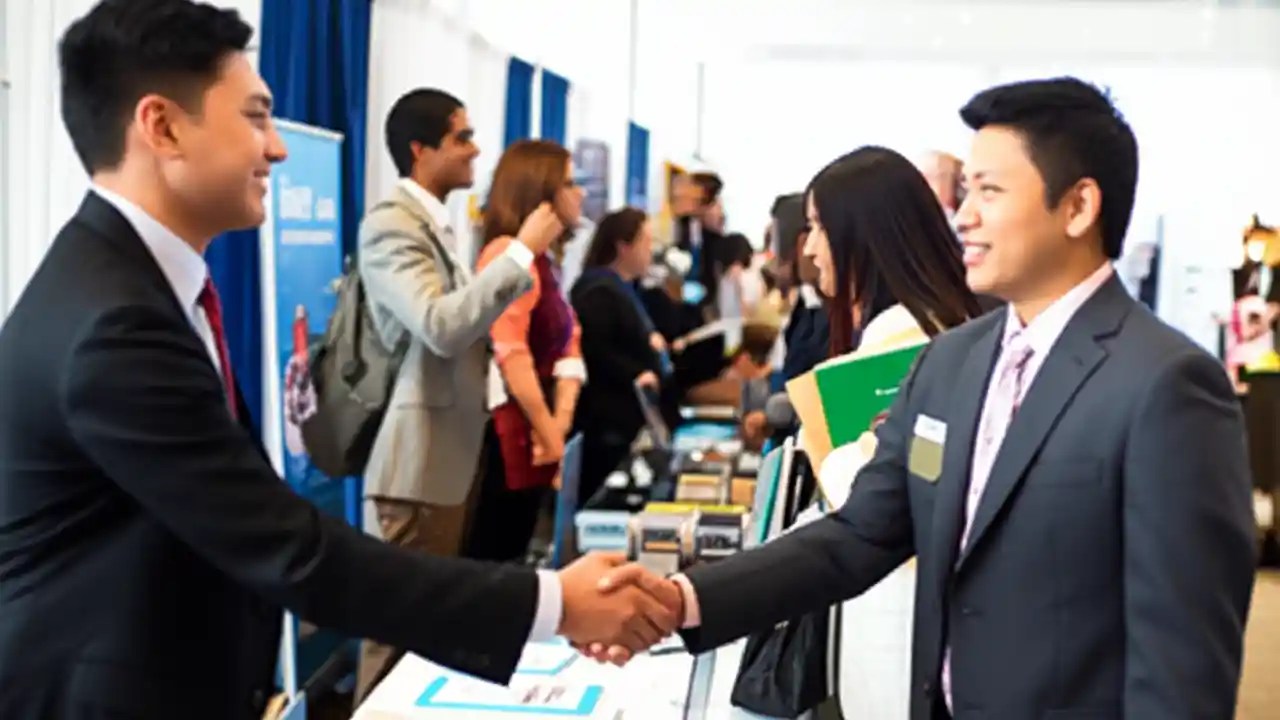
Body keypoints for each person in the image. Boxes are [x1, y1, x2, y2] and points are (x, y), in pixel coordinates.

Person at [0, 2, 674, 718]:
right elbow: (287, 548)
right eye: (255, 118)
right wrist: (552, 603)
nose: (277, 148)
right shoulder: (115, 323)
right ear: (162, 125)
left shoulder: (133, 286)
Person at [598, 77, 1257, 719]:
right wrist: (677, 599)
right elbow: (858, 533)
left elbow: (1182, 663)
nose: (963, 216)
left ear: (1078, 207)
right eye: (965, 191)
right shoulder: (952, 362)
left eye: (990, 192)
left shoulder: (1166, 385)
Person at [353, 88, 564, 701]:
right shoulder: (391, 225)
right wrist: (523, 250)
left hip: (450, 458)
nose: (476, 151)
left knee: (428, 624)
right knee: (397, 628)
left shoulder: (436, 225)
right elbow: (442, 326)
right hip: (416, 464)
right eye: (462, 138)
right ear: (421, 151)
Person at [467, 139, 586, 563]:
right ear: (542, 190)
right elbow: (509, 351)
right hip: (511, 438)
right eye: (569, 183)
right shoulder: (507, 255)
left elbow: (570, 340)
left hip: (537, 432)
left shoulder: (543, 262)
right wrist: (550, 430)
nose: (581, 193)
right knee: (499, 555)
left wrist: (559, 422)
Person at [571, 208, 669, 505]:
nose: (650, 252)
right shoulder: (597, 290)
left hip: (624, 418)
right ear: (623, 246)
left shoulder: (625, 289)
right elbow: (596, 349)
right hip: (606, 419)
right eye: (646, 243)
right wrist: (634, 373)